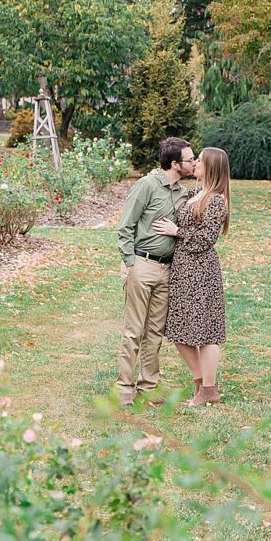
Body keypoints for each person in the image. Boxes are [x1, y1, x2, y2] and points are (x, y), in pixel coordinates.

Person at [114, 136, 195, 404]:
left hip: (167, 270)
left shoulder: (184, 193)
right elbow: (125, 226)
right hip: (142, 265)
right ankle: (124, 387)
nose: (194, 163)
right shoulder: (146, 186)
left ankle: (148, 387)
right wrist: (130, 263)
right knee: (133, 330)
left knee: (155, 333)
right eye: (190, 159)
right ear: (175, 164)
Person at [154, 146, 230, 408]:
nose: (195, 163)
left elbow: (206, 240)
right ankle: (200, 384)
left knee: (206, 331)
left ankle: (209, 388)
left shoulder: (217, 200)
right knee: (179, 329)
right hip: (183, 269)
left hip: (201, 271)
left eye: (200, 160)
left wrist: (177, 231)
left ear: (212, 167)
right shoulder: (197, 194)